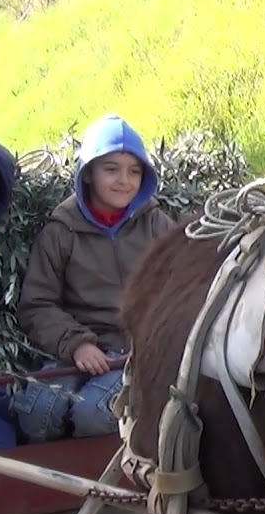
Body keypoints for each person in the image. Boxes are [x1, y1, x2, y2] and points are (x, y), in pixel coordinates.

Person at [13, 114, 178, 443]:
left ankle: (114, 487)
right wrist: (77, 344)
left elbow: (183, 292)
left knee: (94, 414)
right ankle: (49, 489)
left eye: (134, 171)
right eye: (111, 169)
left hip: (136, 353)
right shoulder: (61, 231)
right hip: (74, 351)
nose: (124, 181)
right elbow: (37, 304)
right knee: (36, 413)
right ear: (87, 173)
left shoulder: (157, 226)